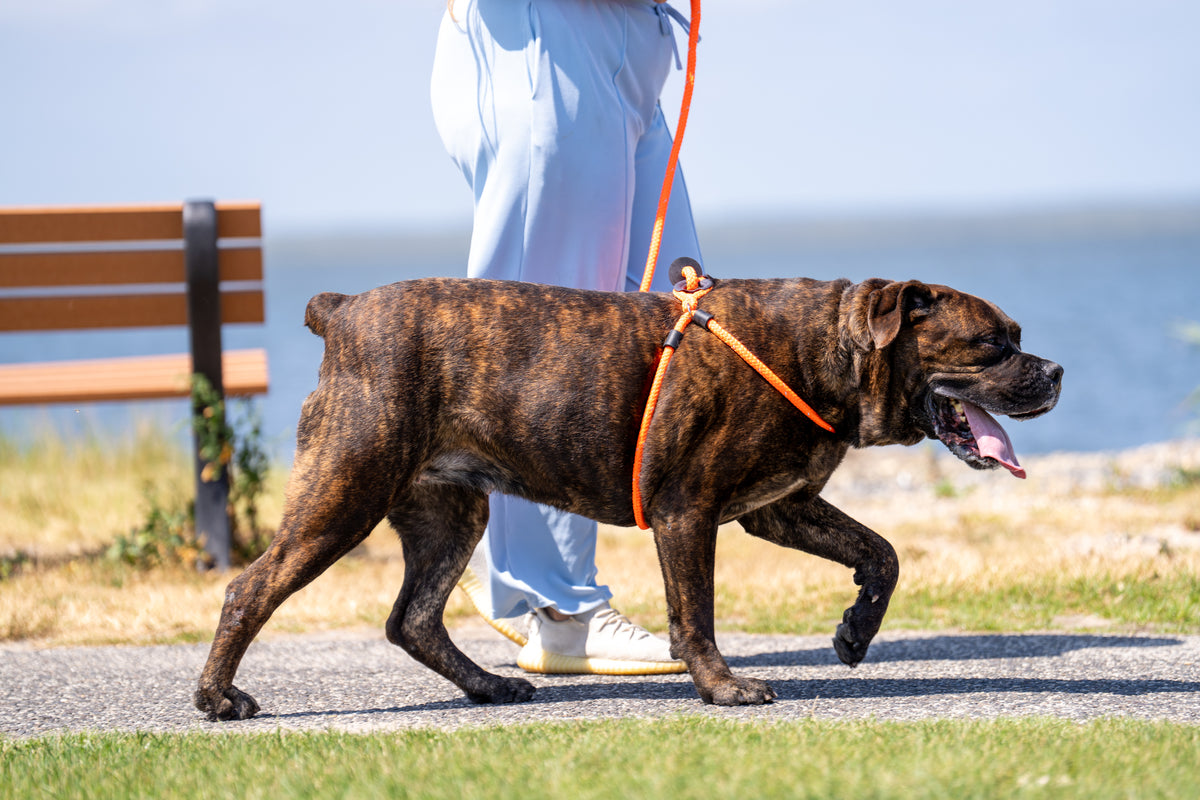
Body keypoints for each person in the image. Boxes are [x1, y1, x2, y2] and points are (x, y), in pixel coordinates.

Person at [430, 0, 701, 675]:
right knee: (549, 344)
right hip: (544, 45)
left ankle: (540, 578)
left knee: (681, 318)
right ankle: (555, 609)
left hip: (635, 54)